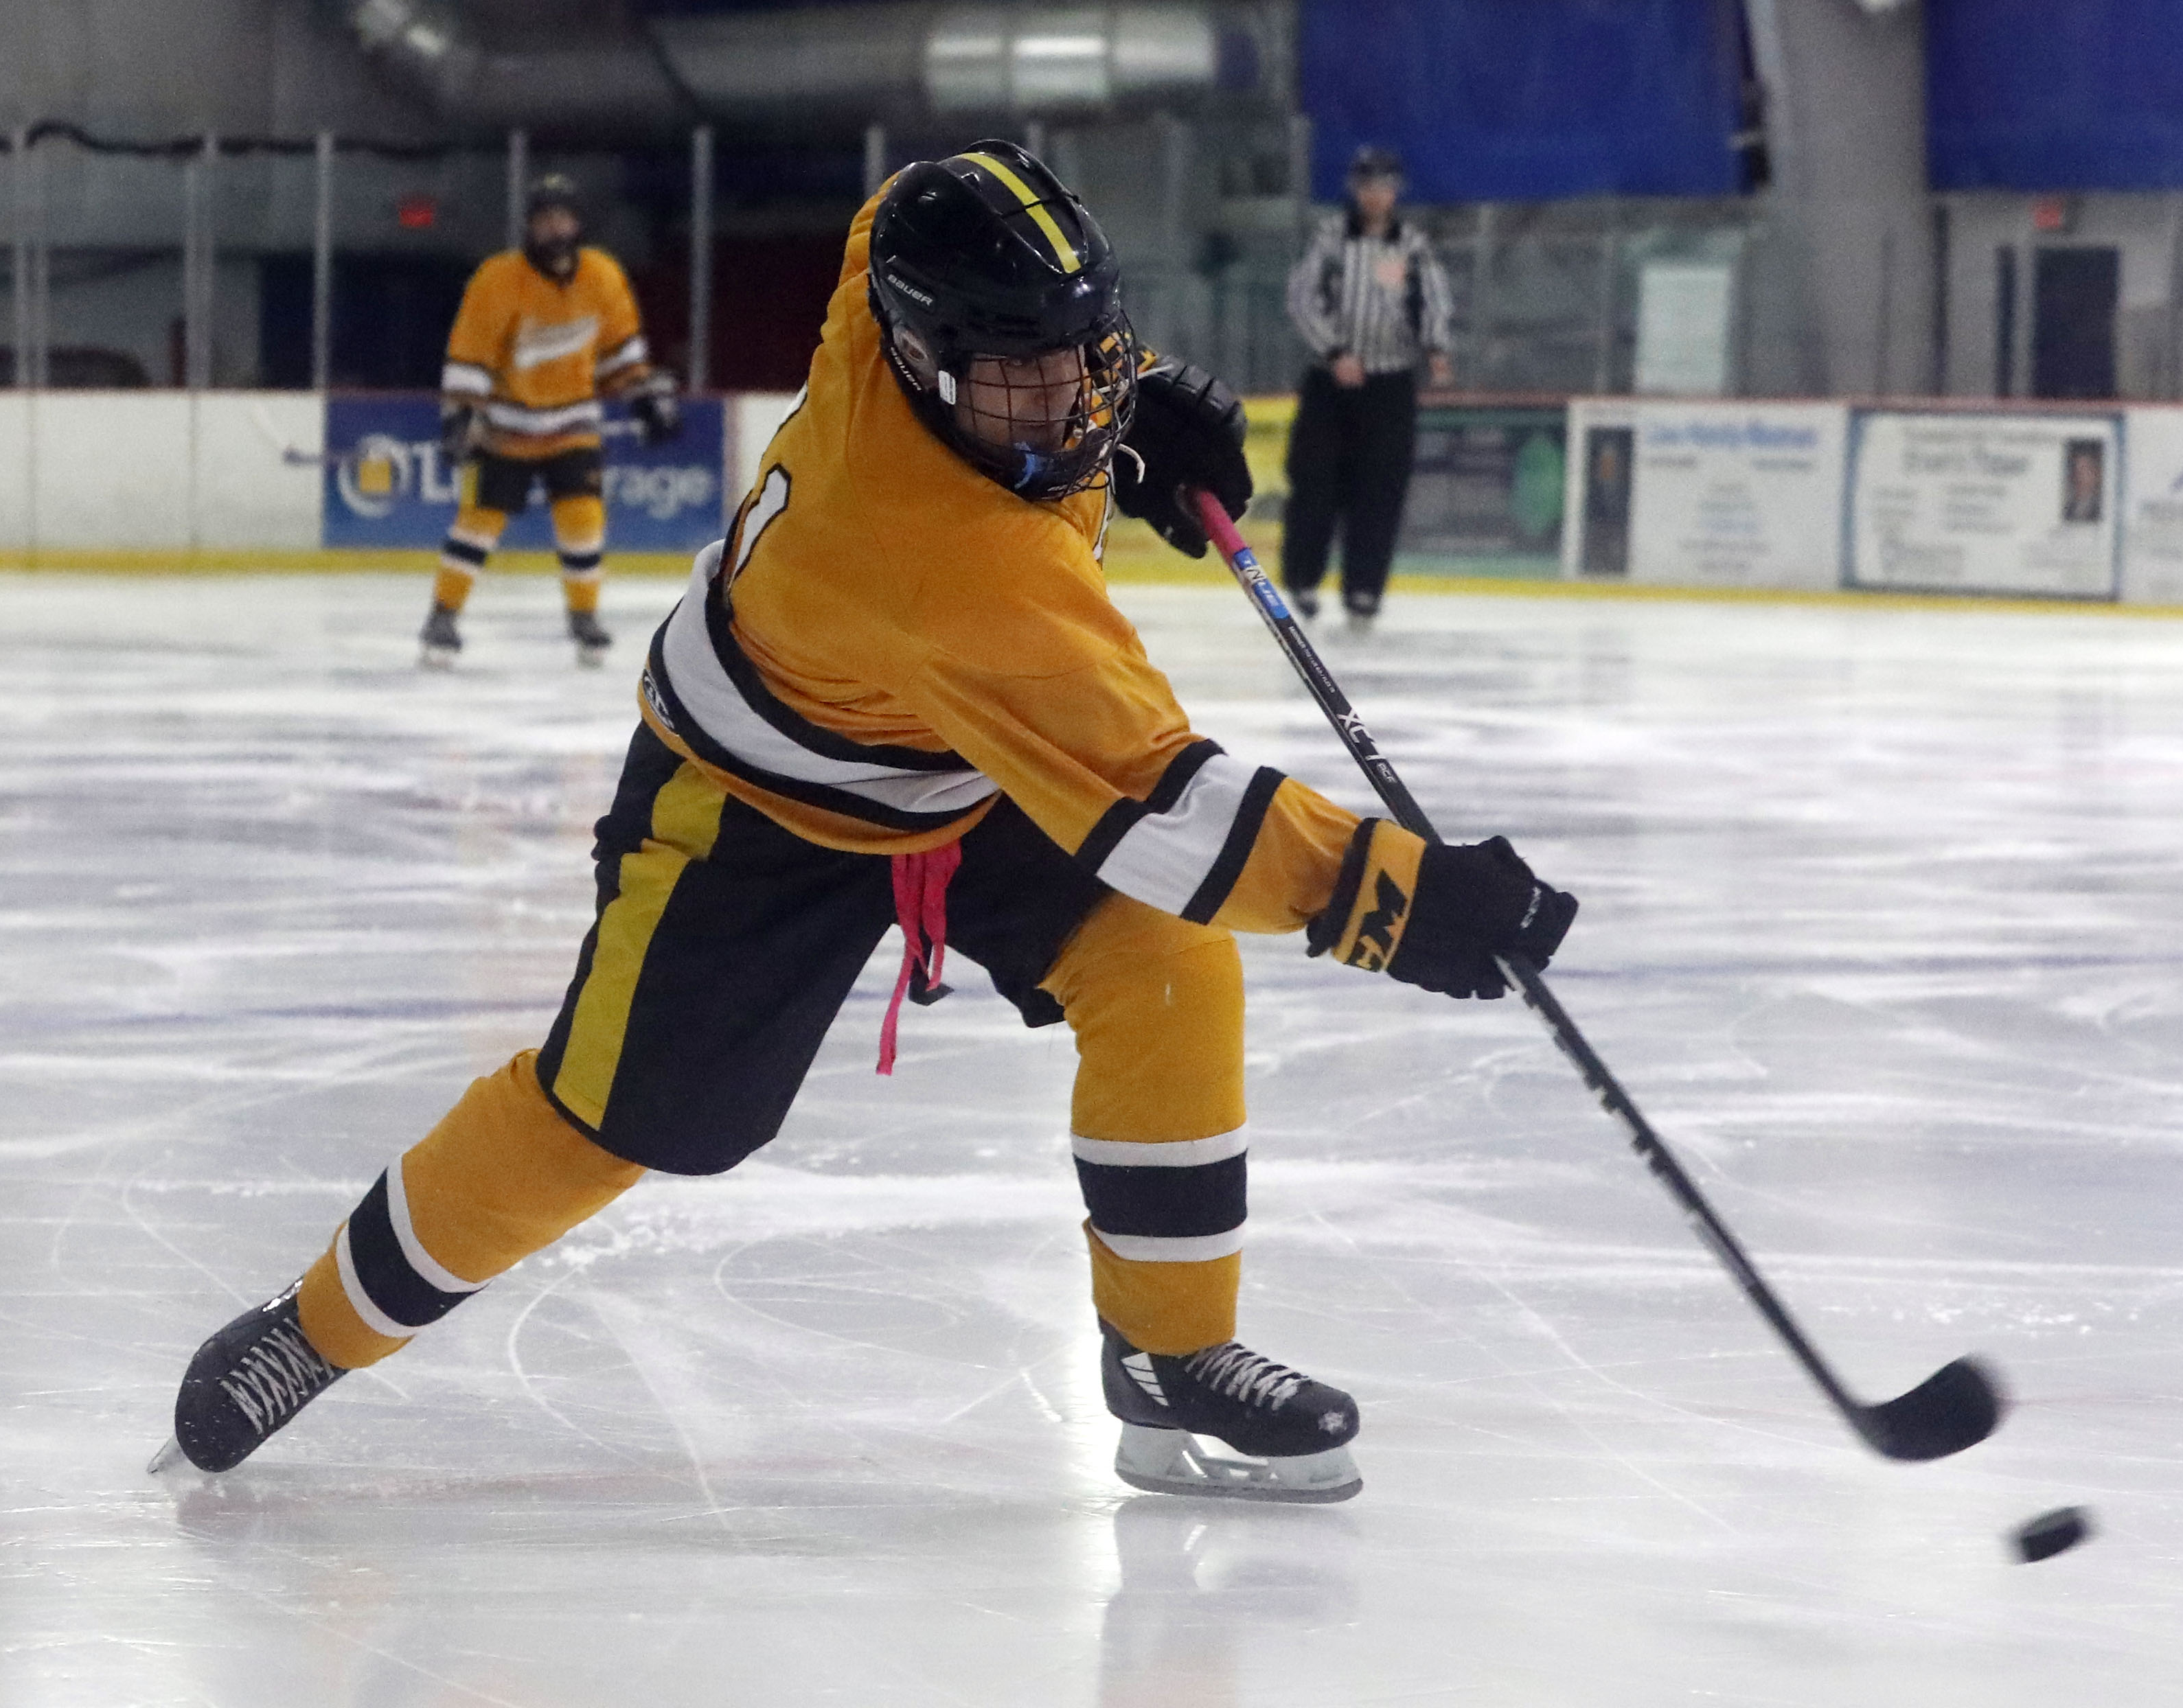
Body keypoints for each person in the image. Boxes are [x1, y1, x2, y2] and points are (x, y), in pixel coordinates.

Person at [153, 142, 1575, 1505]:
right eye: (1025, 371)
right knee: (611, 1121)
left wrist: (1131, 399)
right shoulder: (941, 562)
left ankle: (1166, 1348)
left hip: (947, 760)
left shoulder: (884, 293)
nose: (1069, 393)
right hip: (751, 807)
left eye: (1090, 346)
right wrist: (1405, 900)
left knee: (1157, 964)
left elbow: (919, 198)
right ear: (924, 359)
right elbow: (1172, 814)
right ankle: (314, 1324)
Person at [420, 173, 683, 670]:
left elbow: (619, 353)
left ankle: (584, 618)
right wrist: (459, 415)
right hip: (506, 429)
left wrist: (644, 398)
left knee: (583, 522)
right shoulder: (498, 279)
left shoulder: (603, 276)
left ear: (577, 223)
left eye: (561, 218)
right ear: (529, 227)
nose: (553, 228)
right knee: (477, 526)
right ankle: (443, 615)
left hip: (573, 426)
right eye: (544, 220)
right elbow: (470, 354)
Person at [1282, 145, 1455, 632]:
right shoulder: (1332, 238)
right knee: (1315, 481)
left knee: (1380, 490)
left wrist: (1436, 347)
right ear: (1354, 191)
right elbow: (1301, 298)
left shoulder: (1412, 245)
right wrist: (1335, 352)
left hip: (1390, 383)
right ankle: (1303, 579)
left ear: (1395, 191)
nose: (1376, 196)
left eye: (1384, 186)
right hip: (1331, 383)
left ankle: (1364, 589)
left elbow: (1433, 299)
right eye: (1366, 186)